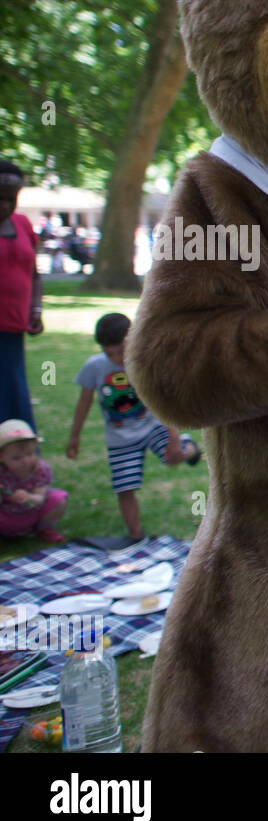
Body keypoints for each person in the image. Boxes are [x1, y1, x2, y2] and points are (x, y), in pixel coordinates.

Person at [67, 313, 202, 542]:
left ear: (133, 338)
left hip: (152, 425)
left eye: (121, 350)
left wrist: (174, 439)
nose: (118, 358)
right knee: (124, 487)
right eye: (110, 353)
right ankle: (135, 535)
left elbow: (163, 399)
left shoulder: (146, 360)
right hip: (119, 438)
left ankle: (192, 449)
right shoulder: (95, 367)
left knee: (173, 457)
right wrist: (74, 436)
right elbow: (84, 402)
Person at [0, 159, 43, 433]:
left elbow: (35, 275)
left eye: (10, 198)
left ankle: (20, 457)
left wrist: (36, 309)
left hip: (14, 328)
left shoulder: (22, 223)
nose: (4, 205)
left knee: (14, 388)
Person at [0, 419, 68, 543]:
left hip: (33, 513)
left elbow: (40, 499)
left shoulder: (41, 469)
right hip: (6, 517)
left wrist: (29, 497)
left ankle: (44, 529)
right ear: (1, 457)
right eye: (16, 458)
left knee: (58, 499)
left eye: (30, 454)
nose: (26, 461)